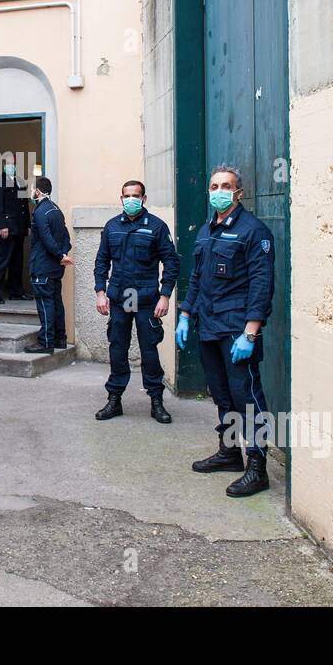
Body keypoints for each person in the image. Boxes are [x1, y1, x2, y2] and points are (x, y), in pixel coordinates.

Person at [175, 164, 275, 498]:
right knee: (221, 394)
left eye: (226, 186)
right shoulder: (206, 230)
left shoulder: (254, 231)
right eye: (214, 185)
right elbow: (197, 277)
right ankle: (230, 453)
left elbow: (262, 285)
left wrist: (250, 333)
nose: (219, 191)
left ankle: (257, 467)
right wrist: (185, 314)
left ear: (238, 193)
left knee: (247, 397)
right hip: (208, 325)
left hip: (236, 329)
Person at [93, 180, 179, 424]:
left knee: (149, 351)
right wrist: (100, 292)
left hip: (146, 300)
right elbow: (101, 262)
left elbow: (171, 263)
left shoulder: (156, 227)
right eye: (127, 195)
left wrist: (165, 295)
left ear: (144, 198)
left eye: (136, 195)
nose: (131, 199)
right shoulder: (111, 227)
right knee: (117, 349)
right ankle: (114, 400)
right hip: (120, 299)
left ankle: (156, 401)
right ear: (121, 198)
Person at [24, 176, 72, 353]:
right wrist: (63, 254)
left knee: (45, 303)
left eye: (32, 189)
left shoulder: (39, 211)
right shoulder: (56, 210)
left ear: (37, 191)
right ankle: (60, 338)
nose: (30, 192)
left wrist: (60, 255)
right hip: (55, 267)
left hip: (42, 266)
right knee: (56, 302)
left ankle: (45, 342)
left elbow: (46, 238)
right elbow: (66, 237)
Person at [0, 161, 31, 302]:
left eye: (14, 163)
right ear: (4, 165)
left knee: (17, 262)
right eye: (9, 163)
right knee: (1, 261)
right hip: (6, 228)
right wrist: (2, 226)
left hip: (19, 228)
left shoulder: (20, 181)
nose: (11, 166)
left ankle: (16, 292)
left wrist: (28, 225)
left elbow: (24, 205)